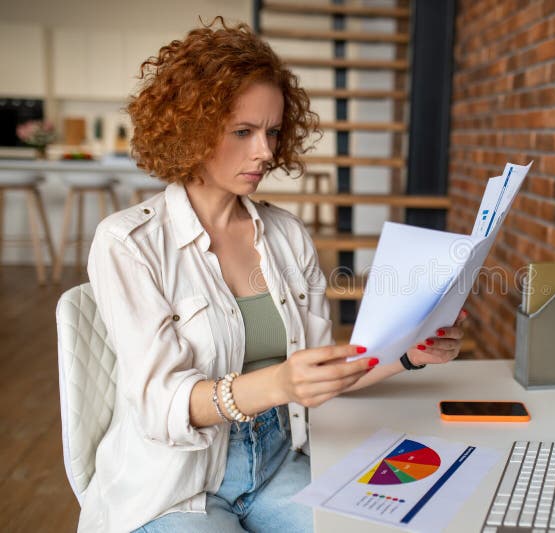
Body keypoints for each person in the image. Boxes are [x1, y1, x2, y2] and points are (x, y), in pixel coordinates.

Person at [80, 17, 466, 533]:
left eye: (273, 131)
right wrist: (279, 381)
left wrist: (408, 356)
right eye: (243, 132)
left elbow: (316, 376)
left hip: (281, 462)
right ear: (189, 130)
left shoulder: (286, 235)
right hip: (178, 483)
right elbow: (161, 405)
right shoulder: (128, 243)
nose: (264, 152)